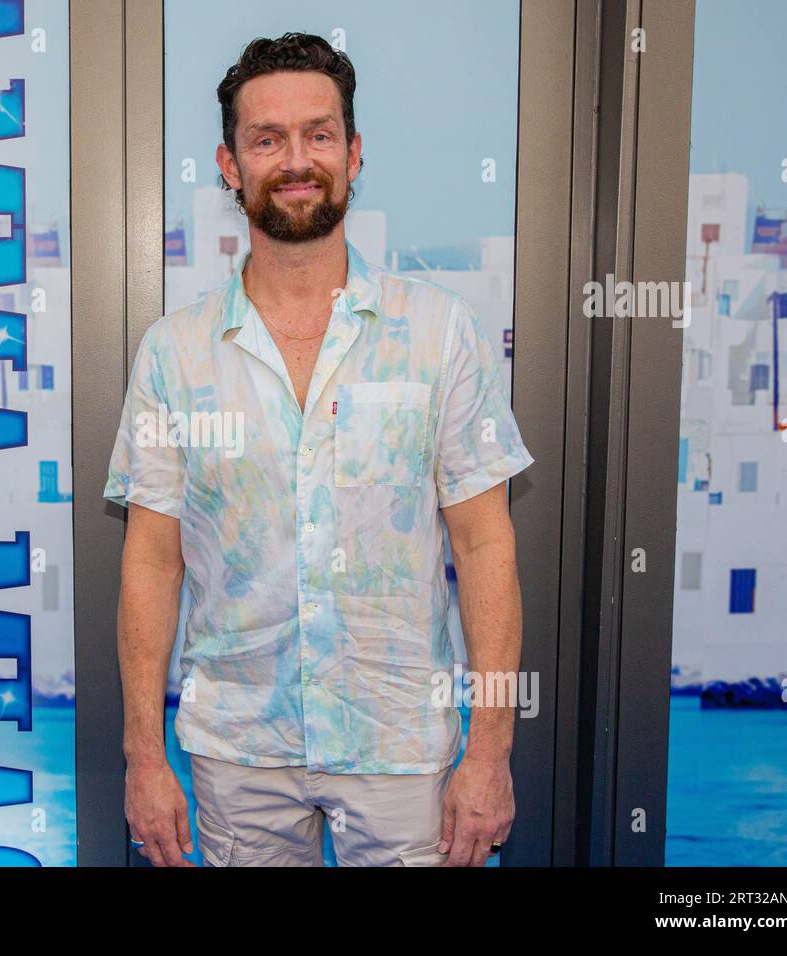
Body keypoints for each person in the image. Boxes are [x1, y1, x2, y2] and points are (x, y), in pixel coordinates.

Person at [104, 32, 534, 867]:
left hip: (402, 750)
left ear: (354, 153)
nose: (295, 159)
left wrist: (488, 755)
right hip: (236, 754)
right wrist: (144, 757)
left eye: (319, 134)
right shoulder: (173, 353)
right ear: (230, 164)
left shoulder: (441, 334)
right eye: (267, 139)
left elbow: (485, 546)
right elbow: (152, 563)